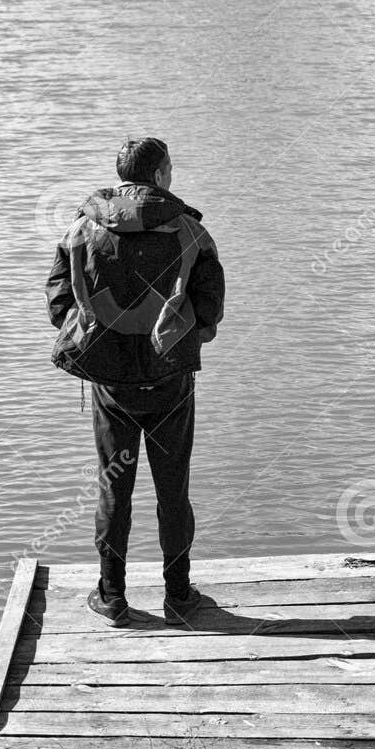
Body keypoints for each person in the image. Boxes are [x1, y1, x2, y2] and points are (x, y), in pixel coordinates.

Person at [45, 137, 226, 627]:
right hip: (171, 380)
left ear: (122, 175)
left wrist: (102, 341)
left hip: (110, 383)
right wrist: (182, 340)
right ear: (162, 174)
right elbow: (211, 307)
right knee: (173, 488)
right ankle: (179, 594)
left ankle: (112, 596)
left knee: (113, 488)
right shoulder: (190, 230)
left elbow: (58, 304)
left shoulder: (82, 228)